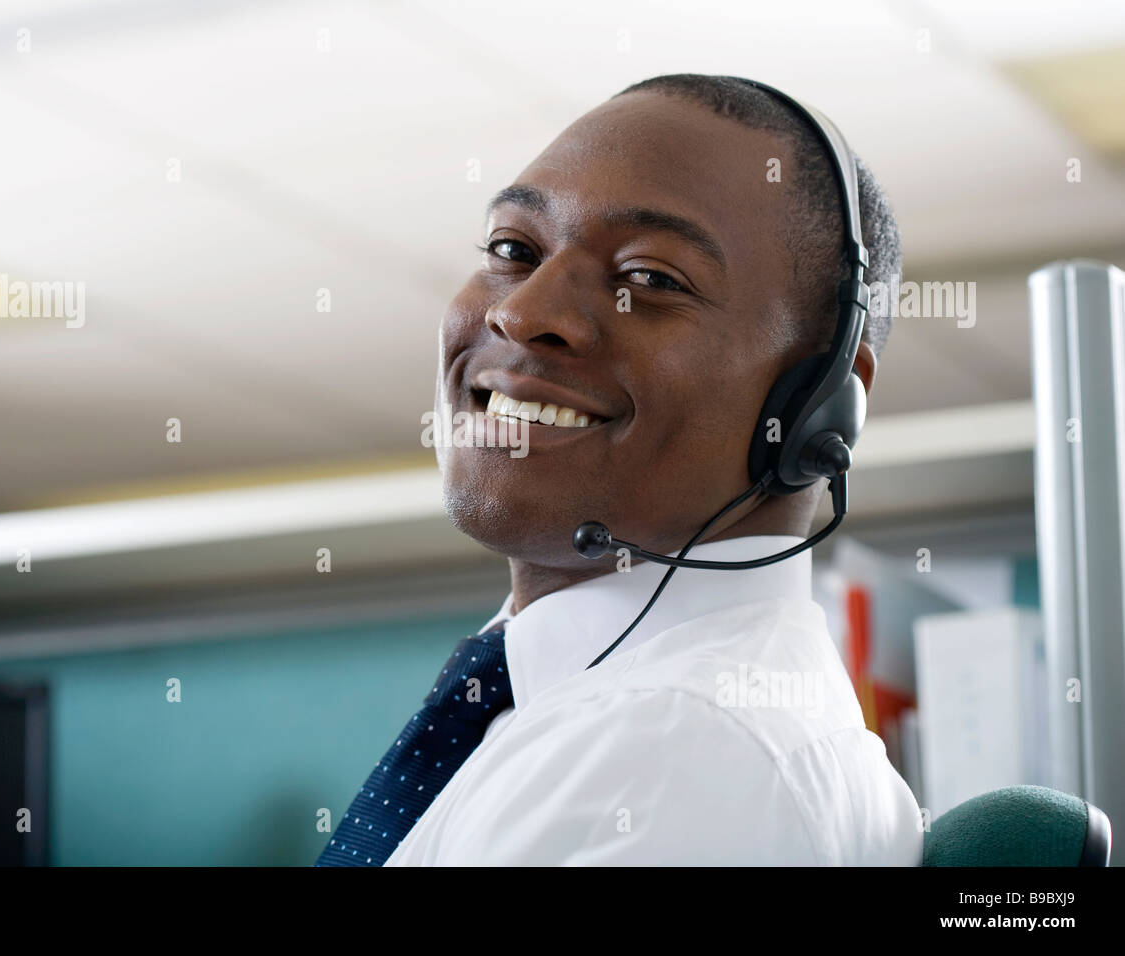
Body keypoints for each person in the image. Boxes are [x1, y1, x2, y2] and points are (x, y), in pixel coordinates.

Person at [317, 73, 922, 866]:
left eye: (651, 279)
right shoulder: (591, 711)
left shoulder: (682, 747)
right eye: (514, 249)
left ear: (817, 403)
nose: (524, 312)